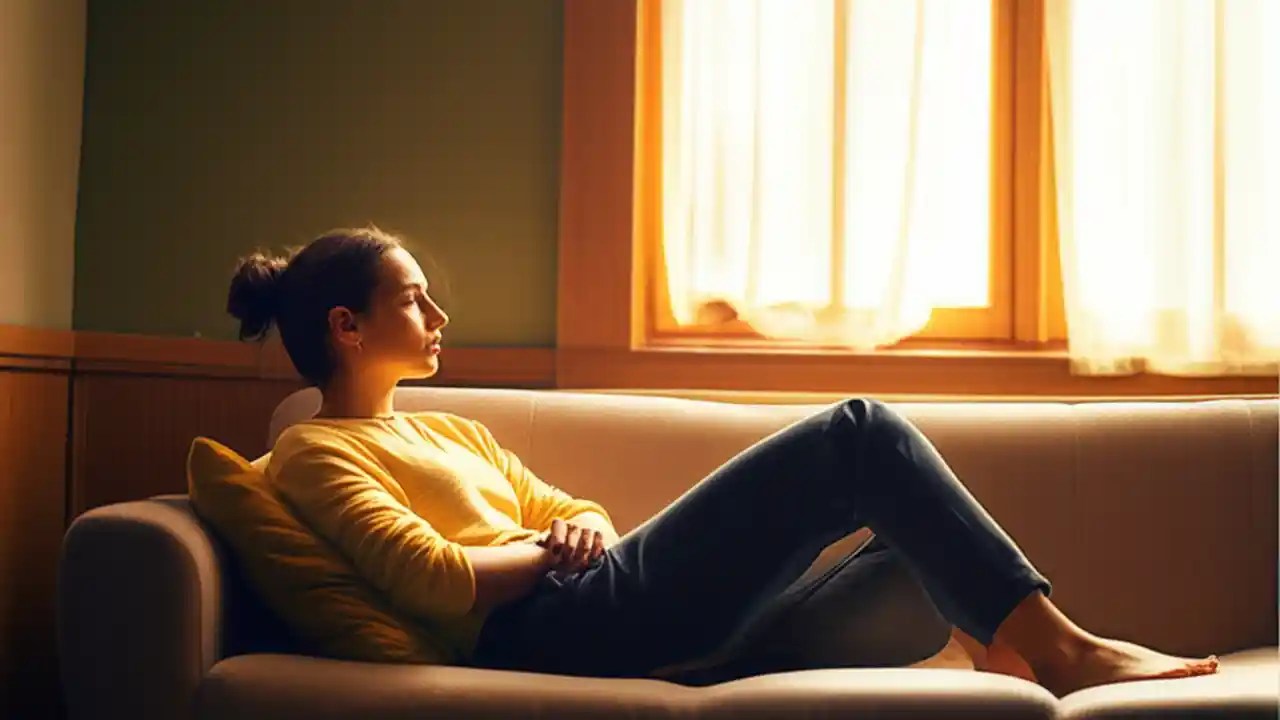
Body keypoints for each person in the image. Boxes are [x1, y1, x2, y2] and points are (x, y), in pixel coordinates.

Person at [226, 226, 1219, 697]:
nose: (438, 314)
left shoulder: (445, 429)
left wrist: (578, 529)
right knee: (859, 432)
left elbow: (570, 504)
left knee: (910, 566)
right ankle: (1062, 649)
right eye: (413, 300)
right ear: (348, 327)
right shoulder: (309, 451)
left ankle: (724, 662)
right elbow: (432, 578)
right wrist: (550, 552)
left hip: (586, 595)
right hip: (545, 628)